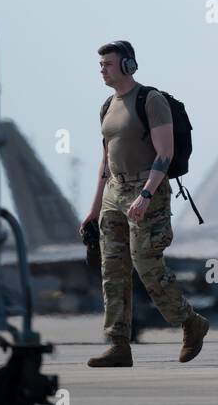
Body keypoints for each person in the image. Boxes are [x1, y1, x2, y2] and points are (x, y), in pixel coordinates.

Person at [80, 39, 208, 368]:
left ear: (128, 66)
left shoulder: (150, 101)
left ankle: (190, 322)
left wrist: (147, 194)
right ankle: (119, 344)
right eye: (100, 65)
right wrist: (93, 210)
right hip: (114, 191)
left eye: (108, 64)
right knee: (113, 272)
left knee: (146, 263)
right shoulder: (107, 106)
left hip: (145, 187)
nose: (102, 70)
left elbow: (164, 153)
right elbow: (104, 162)